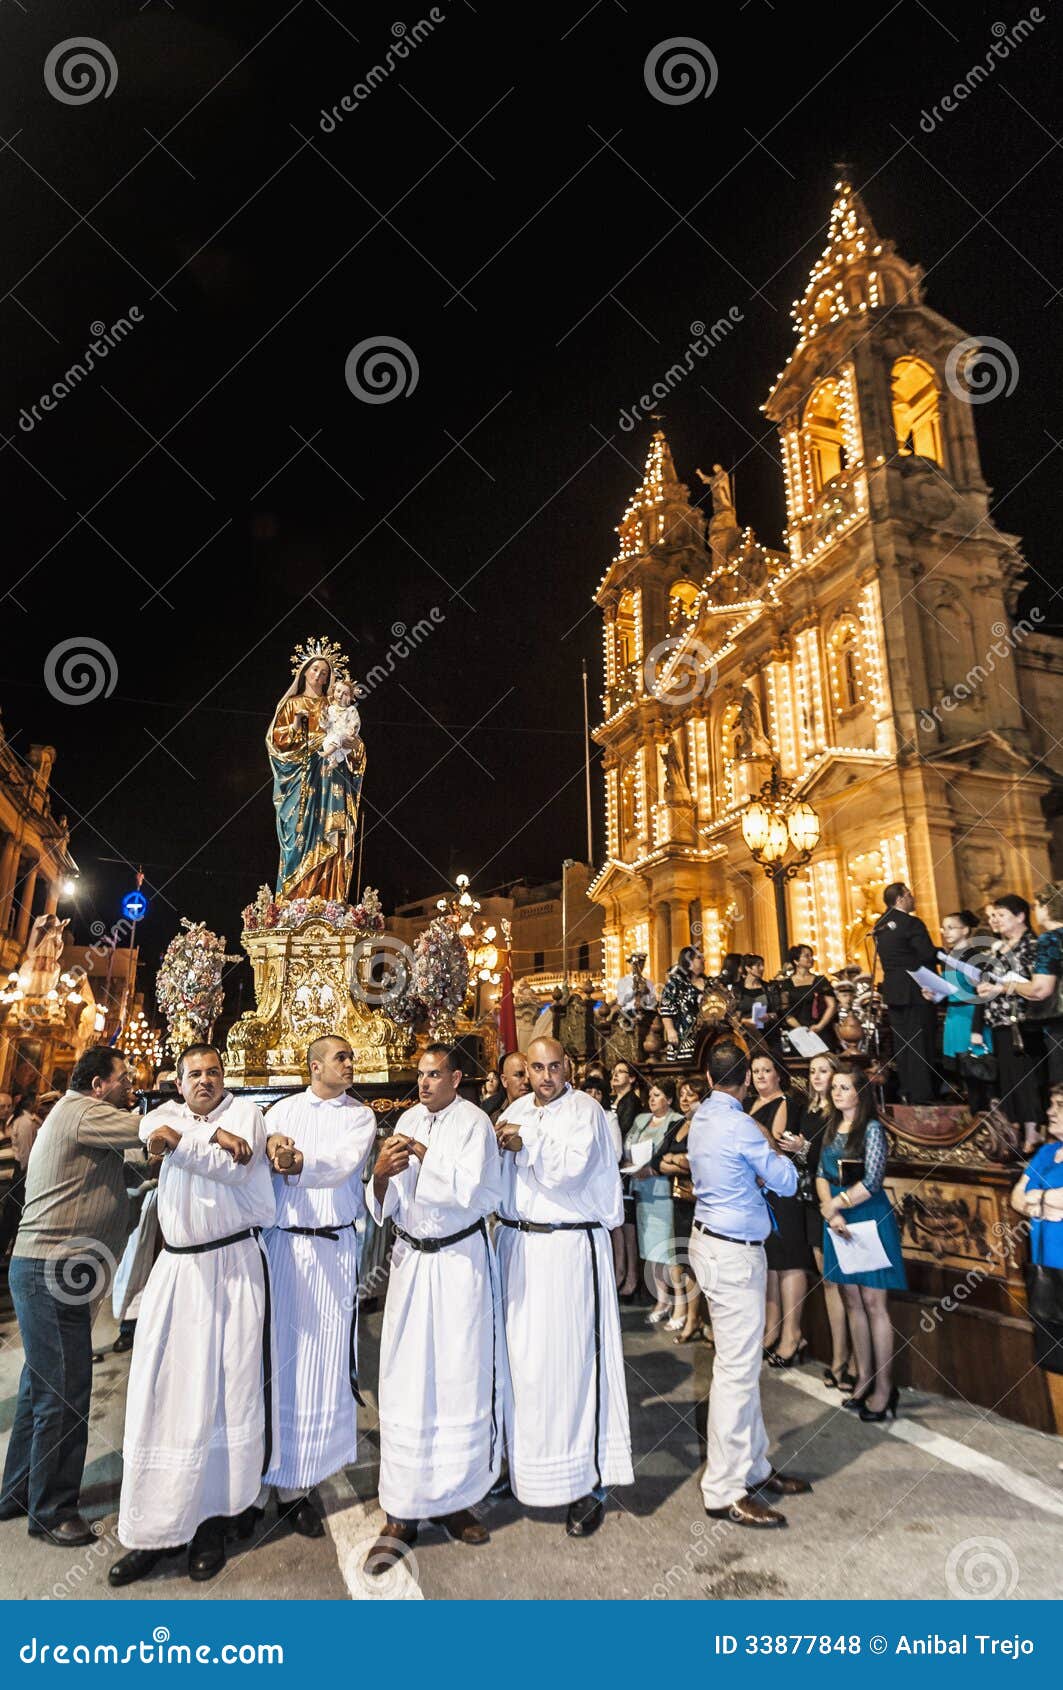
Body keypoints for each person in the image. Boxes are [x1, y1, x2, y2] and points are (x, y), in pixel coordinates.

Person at [109, 1046, 277, 1587]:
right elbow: (152, 1136)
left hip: (231, 1270)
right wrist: (196, 1138)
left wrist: (201, 1141)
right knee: (160, 1400)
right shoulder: (165, 1114)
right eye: (194, 1075)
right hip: (177, 1275)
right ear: (178, 1083)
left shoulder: (245, 1114)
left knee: (224, 1398)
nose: (205, 1081)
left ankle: (211, 1524)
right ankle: (151, 1531)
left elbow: (236, 1166)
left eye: (213, 1072)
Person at [363, 1044, 503, 1574]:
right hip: (412, 1265)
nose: (423, 1084)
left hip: (460, 1263)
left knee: (458, 1378)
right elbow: (388, 1200)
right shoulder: (406, 1118)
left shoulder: (474, 1124)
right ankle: (401, 1509)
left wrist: (424, 1153)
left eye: (434, 1075)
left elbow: (474, 1192)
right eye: (419, 1075)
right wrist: (380, 1172)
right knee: (406, 1381)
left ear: (456, 1078)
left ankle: (456, 1499)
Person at [0, 1049, 141, 1546]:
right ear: (99, 1084)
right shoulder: (83, 1110)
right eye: (125, 1078)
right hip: (49, 1273)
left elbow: (132, 1173)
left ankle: (17, 1492)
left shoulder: (86, 1121)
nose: (131, 1085)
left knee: (43, 1389)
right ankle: (53, 1509)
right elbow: (145, 1132)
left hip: (55, 1275)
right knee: (64, 1391)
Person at [495, 1036, 633, 1538]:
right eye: (537, 1068)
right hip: (520, 1248)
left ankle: (587, 1483)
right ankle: (528, 1470)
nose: (547, 1076)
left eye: (555, 1067)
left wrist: (524, 1144)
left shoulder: (586, 1111)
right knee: (524, 1367)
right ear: (524, 1071)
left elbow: (570, 1172)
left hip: (571, 1251)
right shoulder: (514, 1109)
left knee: (575, 1367)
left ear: (568, 1067)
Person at [687, 1041, 811, 1527]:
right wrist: (785, 1150)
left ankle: (755, 1465)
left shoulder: (701, 1117)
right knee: (736, 1372)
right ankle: (723, 1488)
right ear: (741, 1081)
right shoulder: (739, 1124)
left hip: (710, 1241)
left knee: (740, 1363)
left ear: (711, 1078)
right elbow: (783, 1181)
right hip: (734, 1253)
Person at [259, 1035, 377, 1538]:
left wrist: (296, 1161)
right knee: (273, 1363)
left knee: (319, 1365)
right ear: (313, 1066)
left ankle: (300, 1486)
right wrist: (270, 1147)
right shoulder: (279, 1112)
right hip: (282, 1247)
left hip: (331, 1252)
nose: (351, 1064)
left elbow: (341, 1162)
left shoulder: (360, 1117)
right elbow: (259, 1163)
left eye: (351, 1057)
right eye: (341, 1058)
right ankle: (257, 1481)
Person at [816, 1063, 907, 1421]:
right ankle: (863, 1377)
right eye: (834, 1087)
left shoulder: (871, 1129)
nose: (837, 1093)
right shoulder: (829, 1127)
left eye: (844, 1087)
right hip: (837, 1218)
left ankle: (885, 1387)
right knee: (850, 1299)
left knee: (874, 1302)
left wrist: (835, 1205)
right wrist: (829, 1209)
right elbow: (821, 1174)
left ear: (859, 1093)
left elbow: (872, 1181)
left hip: (866, 1216)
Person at [267, 643, 363, 902]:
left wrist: (353, 745)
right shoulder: (292, 704)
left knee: (332, 833)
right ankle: (293, 901)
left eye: (324, 672)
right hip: (302, 780)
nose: (319, 676)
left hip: (331, 780)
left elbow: (355, 742)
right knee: (299, 835)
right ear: (304, 672)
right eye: (315, 670)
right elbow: (277, 743)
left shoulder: (336, 707)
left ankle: (328, 900)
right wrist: (297, 723)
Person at [748, 1052, 814, 1366]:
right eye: (755, 1070)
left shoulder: (786, 1102)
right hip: (759, 1192)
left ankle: (794, 1333)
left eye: (766, 1070)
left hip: (782, 1190)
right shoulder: (749, 1105)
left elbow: (776, 1149)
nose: (761, 1075)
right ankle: (772, 1329)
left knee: (789, 1260)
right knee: (771, 1260)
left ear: (778, 1075)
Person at [797, 1053, 853, 1389]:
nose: (817, 1076)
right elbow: (808, 1160)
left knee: (845, 1282)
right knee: (828, 1280)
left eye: (823, 1070)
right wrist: (798, 1148)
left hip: (837, 1200)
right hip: (810, 1199)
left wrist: (805, 1149)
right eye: (812, 1071)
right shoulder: (809, 1110)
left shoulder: (840, 1114)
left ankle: (853, 1359)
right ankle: (838, 1355)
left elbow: (834, 1160)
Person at [1010, 1084, 1063, 1429]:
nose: (1050, 1111)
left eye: (1059, 1105)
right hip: (1046, 1273)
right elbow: (1016, 1198)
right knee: (1054, 1360)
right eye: (1051, 1104)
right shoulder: (1046, 1153)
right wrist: (1048, 1201)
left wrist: (1037, 1200)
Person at [976, 894, 1047, 1155]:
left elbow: (1034, 980)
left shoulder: (1033, 944)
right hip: (998, 1020)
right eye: (993, 916)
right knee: (1007, 1078)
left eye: (1001, 915)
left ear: (1020, 916)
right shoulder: (997, 948)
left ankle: (1032, 1133)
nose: (995, 920)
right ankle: (1013, 1129)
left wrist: (1003, 985)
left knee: (1024, 1077)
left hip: (1022, 1020)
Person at [872, 882, 939, 1104]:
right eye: (910, 895)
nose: (914, 898)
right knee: (921, 1042)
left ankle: (907, 1090)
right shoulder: (911, 923)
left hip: (893, 990)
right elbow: (926, 954)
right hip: (916, 989)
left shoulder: (880, 925)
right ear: (900, 899)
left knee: (903, 1044)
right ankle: (923, 1094)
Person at [652, 1076, 706, 1344]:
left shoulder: (705, 1125)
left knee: (698, 1263)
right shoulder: (676, 1124)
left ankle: (696, 1317)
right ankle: (688, 1314)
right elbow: (657, 1160)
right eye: (682, 1094)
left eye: (691, 1094)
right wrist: (677, 1161)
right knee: (682, 1261)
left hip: (699, 1203)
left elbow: (697, 1163)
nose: (685, 1099)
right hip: (678, 1200)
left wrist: (676, 1160)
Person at [625, 1079, 683, 1325]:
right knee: (650, 1250)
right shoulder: (641, 1120)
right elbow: (628, 1144)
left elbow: (665, 1152)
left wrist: (651, 1168)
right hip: (641, 1188)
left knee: (669, 1252)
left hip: (662, 1191)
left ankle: (679, 1301)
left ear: (669, 1099)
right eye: (650, 1094)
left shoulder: (676, 1120)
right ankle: (662, 1299)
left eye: (657, 1095)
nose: (652, 1099)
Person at [935, 910, 994, 1111]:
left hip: (970, 1018)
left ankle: (986, 1120)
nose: (946, 932)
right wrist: (934, 994)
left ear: (966, 930)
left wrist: (976, 1029)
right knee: (964, 1075)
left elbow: (982, 993)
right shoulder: (949, 956)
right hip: (953, 1017)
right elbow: (951, 990)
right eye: (943, 928)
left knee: (979, 1073)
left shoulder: (974, 956)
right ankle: (975, 1119)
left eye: (951, 927)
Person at [610, 1059, 643, 1300]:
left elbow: (622, 1132)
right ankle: (620, 1272)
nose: (616, 1076)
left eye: (622, 1072)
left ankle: (631, 1277)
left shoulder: (632, 1102)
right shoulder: (615, 1102)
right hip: (616, 1171)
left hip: (628, 1169)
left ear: (632, 1078)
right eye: (614, 1072)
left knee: (628, 1226)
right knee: (619, 1226)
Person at [780, 945, 837, 1048]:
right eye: (807, 956)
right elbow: (786, 1012)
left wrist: (819, 1026)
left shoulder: (820, 980)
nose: (811, 959)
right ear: (796, 961)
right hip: (797, 1032)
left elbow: (832, 1006)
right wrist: (801, 1029)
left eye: (811, 956)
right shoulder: (786, 984)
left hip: (821, 1029)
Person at [660, 944, 707, 1060]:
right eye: (699, 957)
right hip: (684, 1037)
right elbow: (666, 1007)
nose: (703, 960)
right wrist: (670, 1030)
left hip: (706, 1037)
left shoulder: (709, 982)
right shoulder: (676, 983)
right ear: (688, 961)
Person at [483, 1050, 529, 1120]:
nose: (527, 1081)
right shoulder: (493, 1117)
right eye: (519, 1075)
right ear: (504, 1080)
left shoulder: (545, 1112)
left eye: (530, 1074)